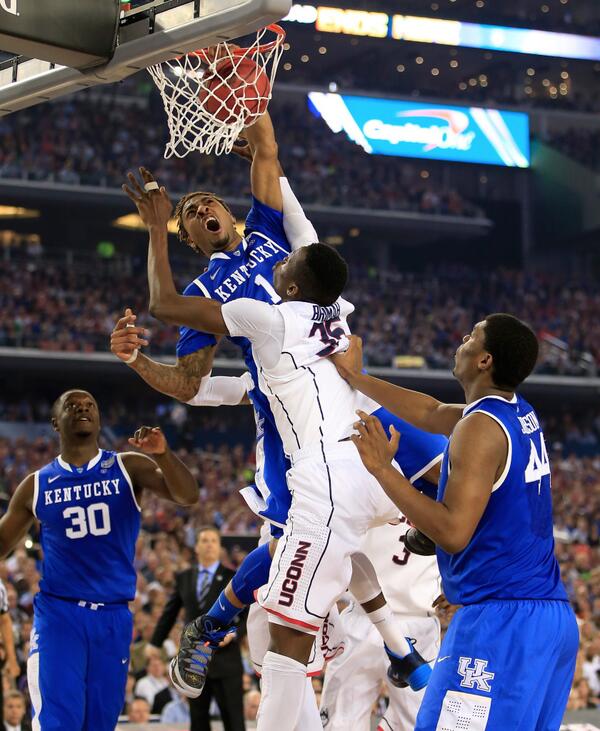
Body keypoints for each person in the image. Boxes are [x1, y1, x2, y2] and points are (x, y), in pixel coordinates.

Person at [122, 163, 438, 729]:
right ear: (188, 238)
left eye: (206, 201)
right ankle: (214, 623)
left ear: (230, 212)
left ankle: (401, 632)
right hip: (285, 411)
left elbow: (270, 163)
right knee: (304, 535)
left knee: (429, 465)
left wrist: (253, 120)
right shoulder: (210, 293)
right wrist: (138, 360)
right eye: (189, 213)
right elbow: (194, 384)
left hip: (345, 394)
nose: (200, 209)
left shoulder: (274, 236)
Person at [332, 316, 579, 729]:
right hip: (547, 618)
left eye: (472, 336)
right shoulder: (514, 412)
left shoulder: (480, 428)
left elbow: (451, 532)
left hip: (502, 623)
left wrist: (382, 468)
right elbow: (430, 412)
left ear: (484, 360)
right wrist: (359, 379)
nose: (462, 340)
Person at [0, 389, 199, 730]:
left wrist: (163, 455)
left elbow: (188, 495)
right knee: (58, 721)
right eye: (72, 405)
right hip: (60, 615)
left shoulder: (127, 466)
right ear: (55, 423)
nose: (83, 408)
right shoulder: (37, 485)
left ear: (99, 418)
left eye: (89, 405)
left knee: (100, 722)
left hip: (113, 616)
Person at [319, 517, 442, 731]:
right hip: (415, 624)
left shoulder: (376, 495)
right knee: (419, 722)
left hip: (363, 614)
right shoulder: (448, 502)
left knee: (340, 721)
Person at [148, 526, 247, 731]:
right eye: (204, 540)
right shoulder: (184, 577)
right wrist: (155, 643)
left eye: (213, 541)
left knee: (234, 721)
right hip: (193, 660)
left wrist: (233, 633)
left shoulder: (233, 576)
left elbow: (247, 613)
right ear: (196, 547)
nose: (209, 545)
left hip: (226, 660)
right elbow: (170, 612)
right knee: (198, 721)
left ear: (219, 547)